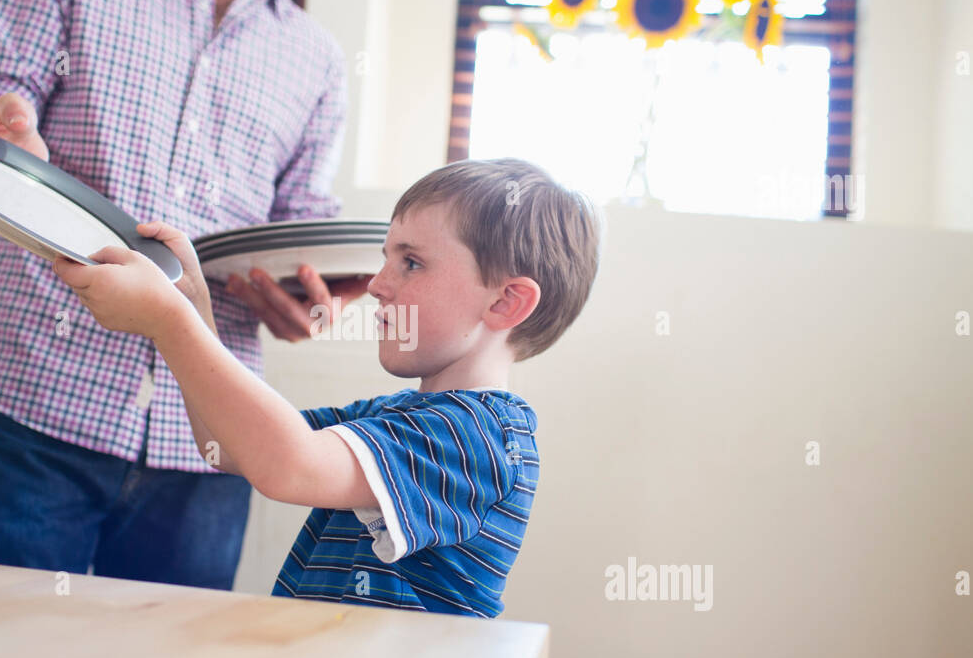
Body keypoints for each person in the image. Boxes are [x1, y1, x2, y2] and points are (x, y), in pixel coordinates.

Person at [0, 0, 368, 588]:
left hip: (206, 442)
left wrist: (317, 302)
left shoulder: (315, 58)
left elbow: (299, 226)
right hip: (36, 398)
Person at [53, 158, 603, 616]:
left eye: (410, 262)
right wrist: (194, 305)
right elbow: (232, 449)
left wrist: (168, 321)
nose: (378, 285)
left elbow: (285, 465)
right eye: (386, 258)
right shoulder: (397, 417)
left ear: (506, 302)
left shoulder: (478, 440)